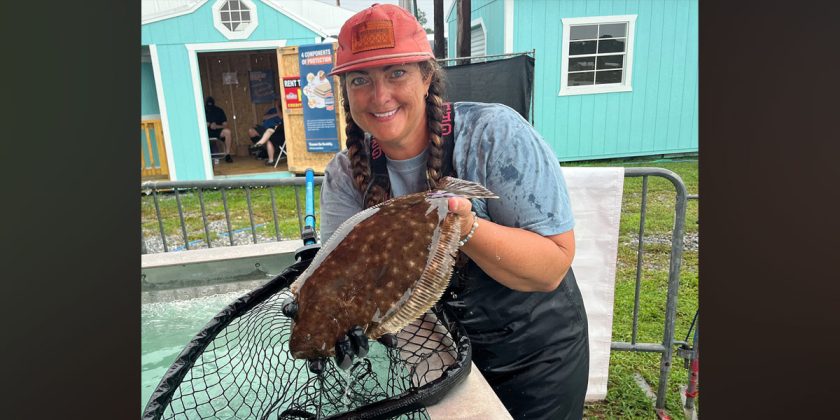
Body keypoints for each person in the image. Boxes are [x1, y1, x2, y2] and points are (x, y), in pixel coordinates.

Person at [318, 4, 589, 419]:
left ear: (427, 76)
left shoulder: (495, 134)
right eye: (360, 80)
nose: (380, 95)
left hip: (538, 353)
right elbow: (346, 277)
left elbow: (551, 267)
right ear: (345, 93)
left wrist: (464, 226)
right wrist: (335, 312)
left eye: (396, 72)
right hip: (443, 350)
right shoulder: (343, 175)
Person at [248, 99, 285, 165]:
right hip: (265, 128)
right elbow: (264, 117)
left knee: (269, 138)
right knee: (251, 131)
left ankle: (259, 144)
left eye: (278, 101)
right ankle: (261, 147)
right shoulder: (272, 110)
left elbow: (281, 117)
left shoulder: (283, 109)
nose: (276, 102)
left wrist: (277, 107)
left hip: (276, 130)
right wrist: (275, 114)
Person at [204, 96, 233, 162]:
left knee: (227, 132)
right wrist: (205, 125)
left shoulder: (219, 110)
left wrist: (216, 126)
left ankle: (227, 154)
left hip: (217, 131)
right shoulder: (201, 110)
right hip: (205, 132)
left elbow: (225, 125)